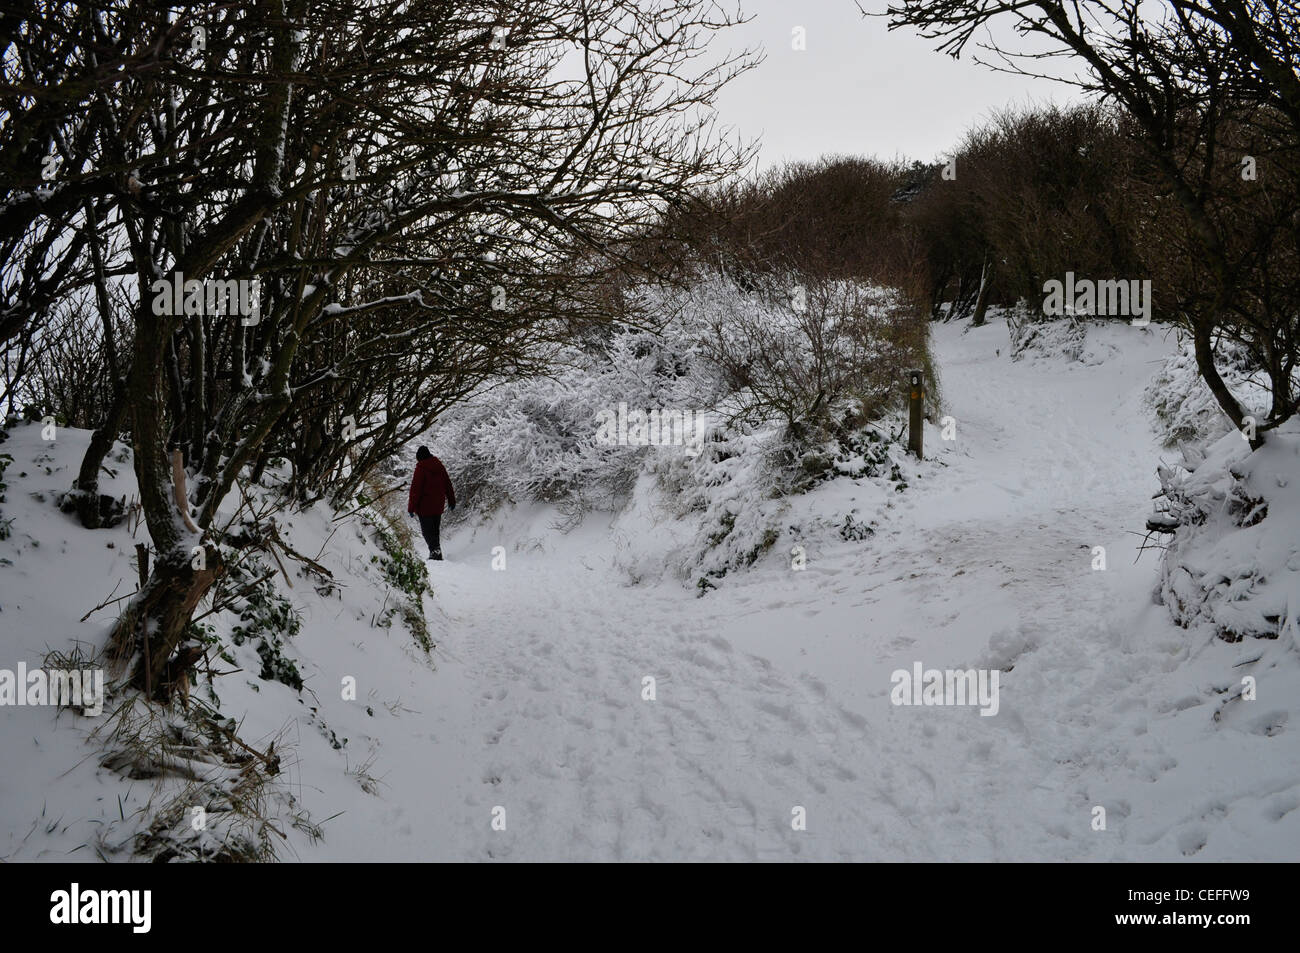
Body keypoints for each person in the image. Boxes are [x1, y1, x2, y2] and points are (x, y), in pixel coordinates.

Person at [407, 446, 456, 560]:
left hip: (425, 507)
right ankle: (436, 552)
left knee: (427, 532)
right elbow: (448, 484)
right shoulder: (439, 465)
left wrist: (411, 508)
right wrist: (451, 500)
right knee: (434, 530)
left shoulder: (421, 468)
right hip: (438, 505)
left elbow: (415, 490)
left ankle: (435, 553)